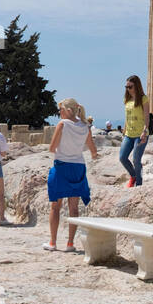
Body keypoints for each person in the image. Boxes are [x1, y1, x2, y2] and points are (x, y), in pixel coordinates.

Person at [44, 98, 99, 252]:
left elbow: (52, 147)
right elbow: (92, 149)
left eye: (60, 110)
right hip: (78, 167)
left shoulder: (62, 124)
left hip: (62, 166)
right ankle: (70, 243)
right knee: (74, 208)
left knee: (55, 206)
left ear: (68, 110)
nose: (59, 113)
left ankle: (53, 242)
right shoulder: (85, 126)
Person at [118, 75, 151, 188]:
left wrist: (144, 131)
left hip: (140, 134)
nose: (128, 89)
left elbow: (147, 116)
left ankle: (139, 184)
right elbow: (127, 116)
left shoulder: (143, 98)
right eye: (126, 87)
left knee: (136, 160)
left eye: (130, 86)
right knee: (122, 157)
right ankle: (133, 176)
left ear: (136, 86)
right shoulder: (126, 99)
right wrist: (124, 128)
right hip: (128, 134)